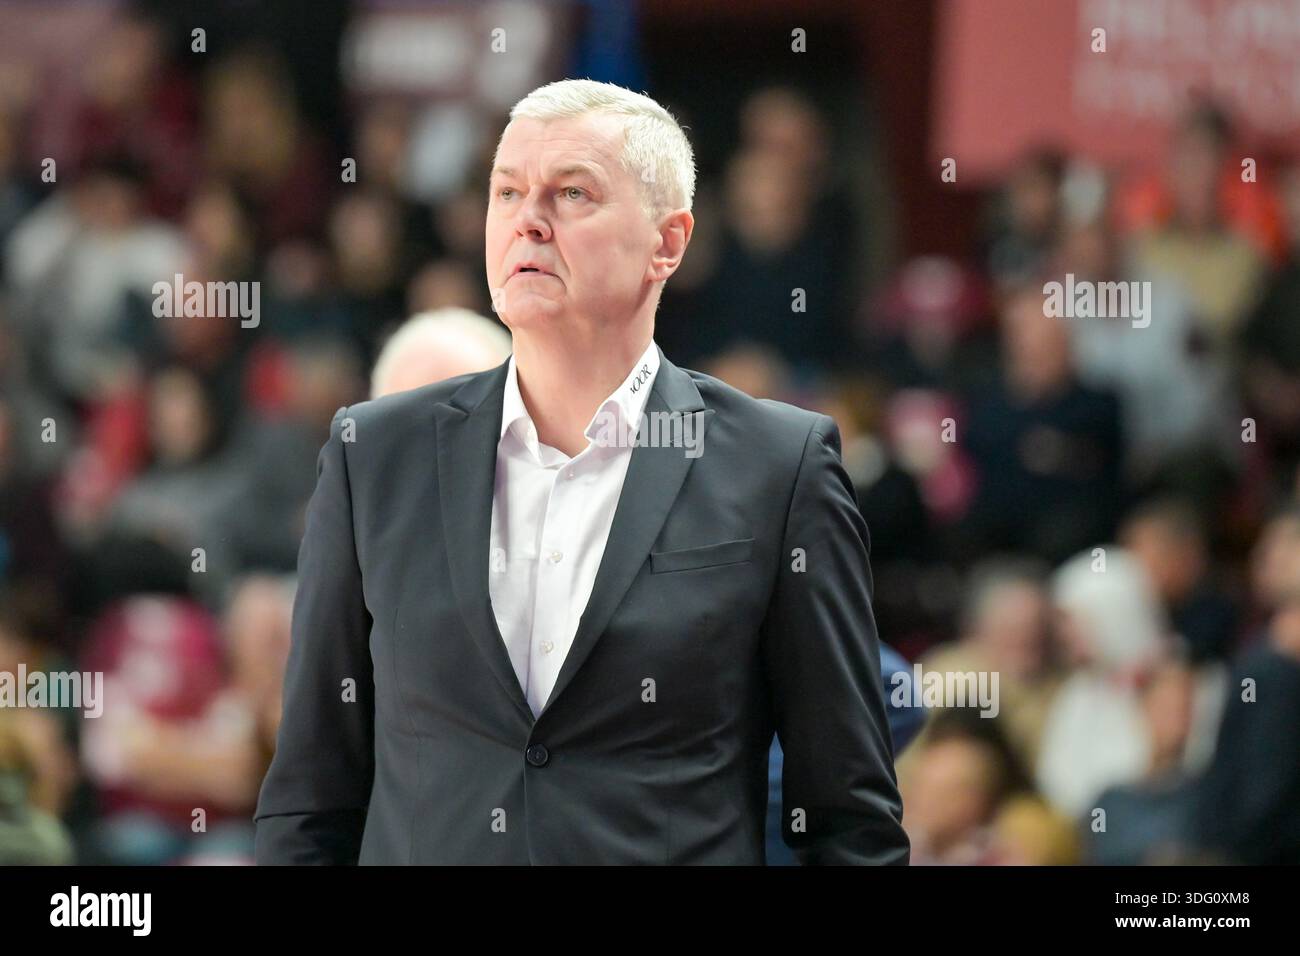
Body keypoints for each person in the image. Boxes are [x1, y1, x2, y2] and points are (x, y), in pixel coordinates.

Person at [253, 79, 907, 865]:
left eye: (571, 193)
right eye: (506, 191)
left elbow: (849, 821)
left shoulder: (780, 467)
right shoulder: (373, 453)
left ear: (668, 243)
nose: (528, 219)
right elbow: (308, 800)